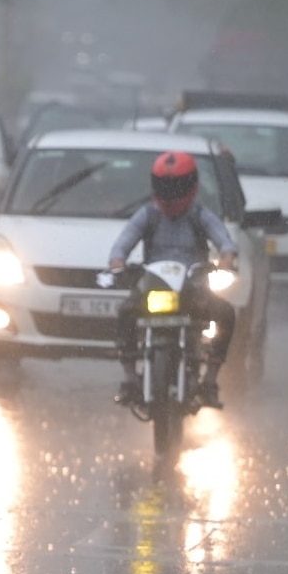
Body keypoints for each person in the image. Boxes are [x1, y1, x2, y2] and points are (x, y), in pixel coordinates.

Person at [107, 151, 238, 408]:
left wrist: (227, 258)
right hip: (153, 289)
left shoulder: (200, 216)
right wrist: (117, 262)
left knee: (226, 314)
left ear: (192, 186)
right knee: (125, 313)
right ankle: (131, 379)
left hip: (193, 291)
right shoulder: (148, 215)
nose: (170, 194)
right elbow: (122, 243)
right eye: (165, 187)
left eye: (176, 186)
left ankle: (210, 380)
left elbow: (224, 240)